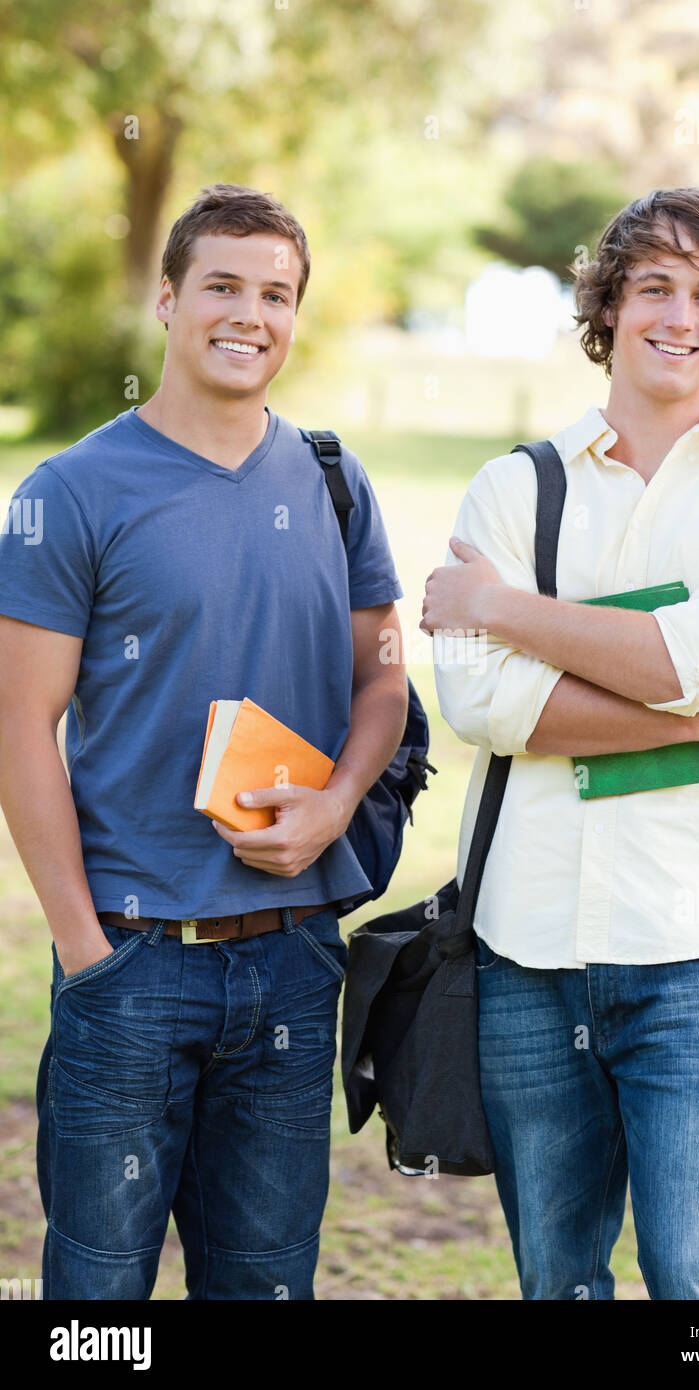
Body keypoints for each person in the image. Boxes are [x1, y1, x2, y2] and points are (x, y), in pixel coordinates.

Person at [422, 187, 699, 1300]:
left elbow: (698, 660)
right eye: (654, 286)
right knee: (556, 1278)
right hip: (527, 945)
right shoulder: (513, 488)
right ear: (608, 307)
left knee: (697, 1272)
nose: (680, 317)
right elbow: (481, 704)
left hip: (695, 950)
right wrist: (697, 718)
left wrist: (503, 608)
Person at [0, 183, 407, 1300]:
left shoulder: (333, 481)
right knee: (98, 1300)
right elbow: (19, 724)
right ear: (168, 298)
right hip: (129, 961)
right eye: (223, 285)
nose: (250, 315)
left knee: (266, 1282)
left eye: (276, 294)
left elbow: (383, 679)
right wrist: (83, 949)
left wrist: (336, 803)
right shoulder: (72, 492)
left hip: (293, 959)